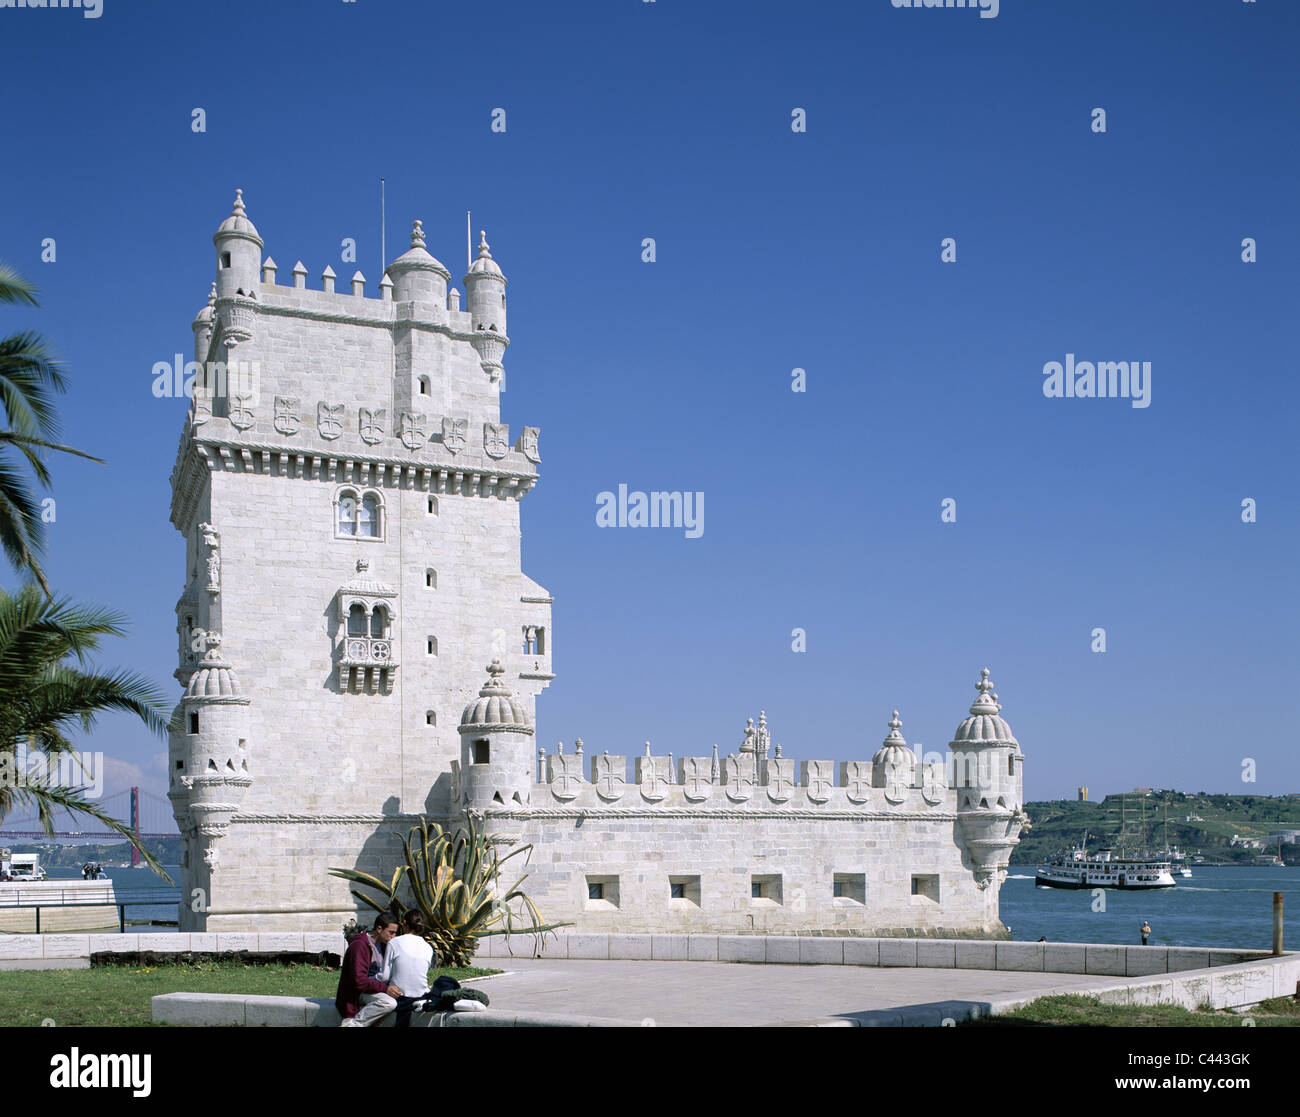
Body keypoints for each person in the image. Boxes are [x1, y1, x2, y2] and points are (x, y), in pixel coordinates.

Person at [336, 913, 402, 1027]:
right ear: (379, 929)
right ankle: (352, 1025)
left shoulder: (384, 944)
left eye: (395, 933)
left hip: (373, 988)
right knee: (388, 1003)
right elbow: (359, 981)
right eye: (391, 932)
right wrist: (386, 988)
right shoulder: (359, 946)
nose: (394, 937)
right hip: (356, 993)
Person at [387, 910, 435, 1028]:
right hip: (421, 995)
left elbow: (384, 976)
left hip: (399, 996)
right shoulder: (428, 947)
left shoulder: (394, 942)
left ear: (404, 924)